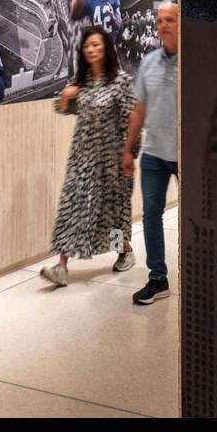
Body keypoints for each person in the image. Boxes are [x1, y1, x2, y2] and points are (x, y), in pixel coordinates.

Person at [40, 27, 137, 286]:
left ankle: (124, 251)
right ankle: (61, 265)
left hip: (112, 160)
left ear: (105, 48)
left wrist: (130, 154)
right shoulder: (81, 83)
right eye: (87, 46)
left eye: (96, 45)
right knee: (72, 206)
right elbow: (63, 110)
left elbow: (132, 119)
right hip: (81, 158)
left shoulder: (121, 81)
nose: (91, 50)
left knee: (113, 211)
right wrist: (65, 96)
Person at [122, 2, 178, 305]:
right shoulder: (148, 63)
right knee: (151, 217)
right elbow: (139, 109)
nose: (163, 25)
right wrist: (129, 149)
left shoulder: (194, 62)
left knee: (196, 220)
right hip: (154, 153)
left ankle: (199, 276)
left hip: (186, 155)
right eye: (159, 20)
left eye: (170, 20)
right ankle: (158, 280)